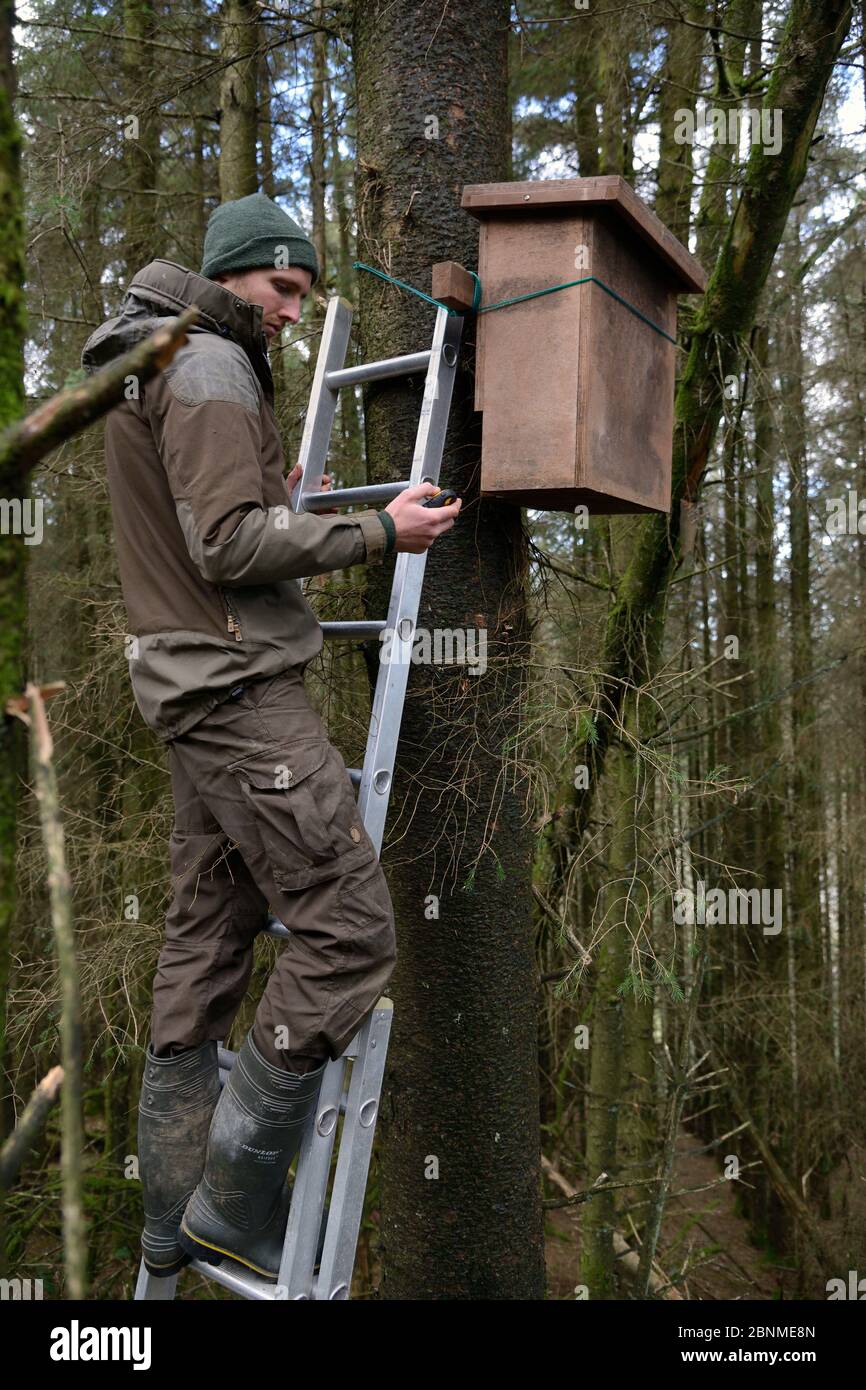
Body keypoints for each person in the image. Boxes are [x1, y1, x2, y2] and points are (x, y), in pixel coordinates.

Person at [80, 190, 461, 1281]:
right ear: (234, 274)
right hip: (244, 694)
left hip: (191, 690)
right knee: (348, 933)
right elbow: (227, 543)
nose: (293, 309)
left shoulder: (156, 359)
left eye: (302, 290)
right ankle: (232, 1200)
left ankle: (166, 1219)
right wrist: (379, 529)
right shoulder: (206, 366)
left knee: (205, 941)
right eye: (281, 287)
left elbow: (203, 511)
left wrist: (259, 494)